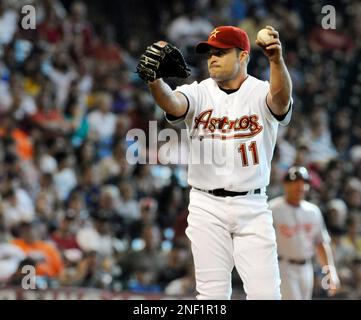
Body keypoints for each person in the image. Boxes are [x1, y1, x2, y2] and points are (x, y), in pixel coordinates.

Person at [138, 25, 293, 299]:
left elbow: (280, 102)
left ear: (243, 56)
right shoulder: (198, 92)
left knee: (267, 294)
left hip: (253, 205)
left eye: (221, 52)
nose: (212, 58)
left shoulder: (261, 91)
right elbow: (172, 103)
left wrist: (275, 60)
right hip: (205, 205)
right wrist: (154, 80)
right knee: (211, 296)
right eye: (210, 52)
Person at [270, 166, 340, 300]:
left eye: (304, 182)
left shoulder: (313, 211)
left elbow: (320, 243)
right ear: (285, 185)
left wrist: (330, 272)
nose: (300, 186)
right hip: (282, 267)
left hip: (306, 268)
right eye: (295, 182)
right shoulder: (273, 209)